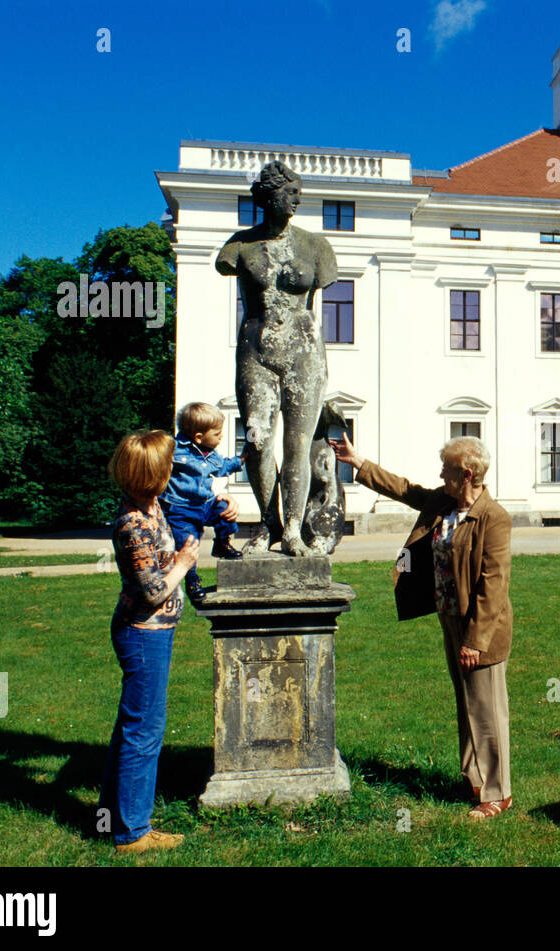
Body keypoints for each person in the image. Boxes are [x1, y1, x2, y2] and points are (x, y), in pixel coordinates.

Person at [330, 433, 514, 819]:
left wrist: (475, 642)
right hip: (449, 616)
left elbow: (493, 586)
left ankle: (498, 793)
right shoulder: (444, 502)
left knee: (487, 709)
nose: (440, 473)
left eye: (446, 469)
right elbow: (404, 489)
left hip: (481, 628)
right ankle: (474, 778)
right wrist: (357, 462)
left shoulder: (493, 518)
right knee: (466, 705)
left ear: (466, 474)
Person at [99, 430, 239, 854]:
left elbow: (192, 505)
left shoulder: (154, 505)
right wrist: (183, 564)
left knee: (132, 727)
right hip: (142, 634)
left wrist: (221, 506)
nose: (174, 471)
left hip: (154, 632)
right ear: (152, 475)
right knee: (144, 730)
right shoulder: (132, 523)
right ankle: (132, 834)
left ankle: (112, 819)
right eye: (167, 468)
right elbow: (152, 590)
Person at [216, 160, 339, 556]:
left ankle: (292, 530)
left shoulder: (316, 247)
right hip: (256, 348)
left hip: (303, 351)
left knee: (297, 446)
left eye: (299, 192)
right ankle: (267, 525)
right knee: (258, 441)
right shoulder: (239, 246)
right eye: (289, 192)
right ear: (267, 197)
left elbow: (316, 294)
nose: (297, 199)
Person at [159, 401, 245, 601]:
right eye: (217, 434)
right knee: (188, 545)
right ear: (198, 436)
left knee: (225, 511)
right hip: (181, 509)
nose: (221, 437)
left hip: (205, 504)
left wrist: (241, 459)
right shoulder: (173, 450)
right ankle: (192, 579)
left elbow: (223, 467)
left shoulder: (211, 455)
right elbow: (158, 471)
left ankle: (222, 543)